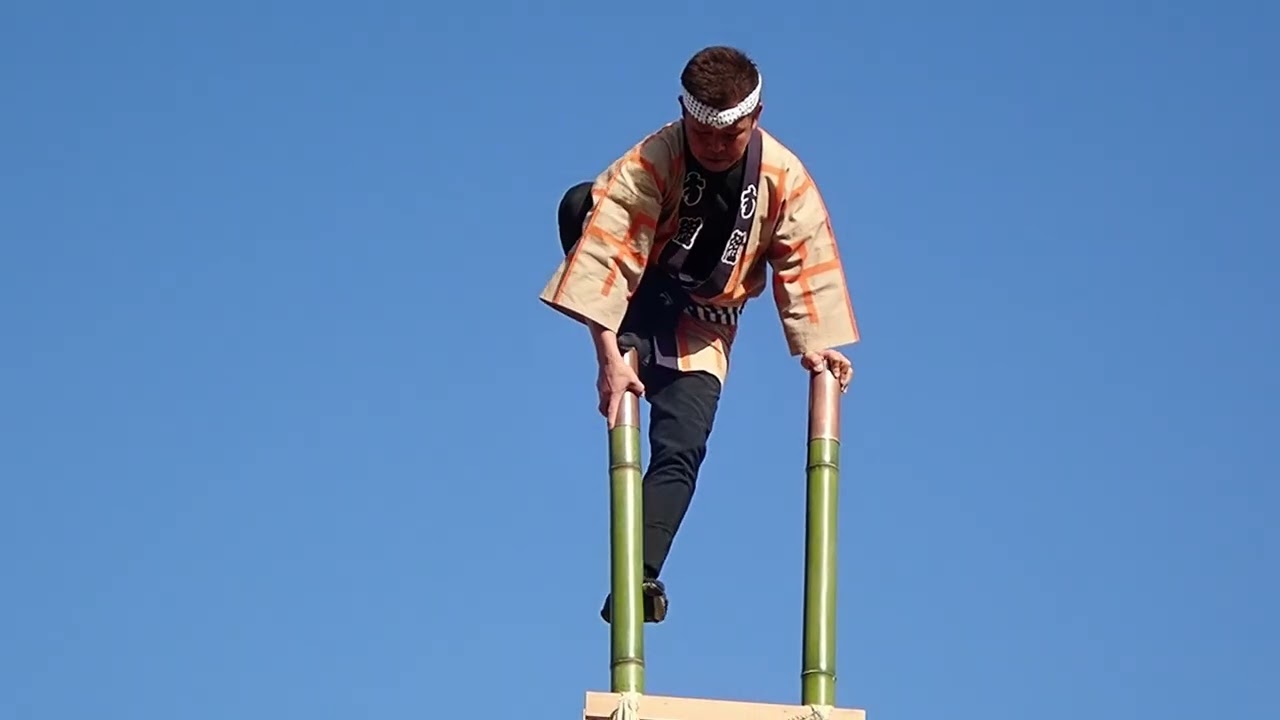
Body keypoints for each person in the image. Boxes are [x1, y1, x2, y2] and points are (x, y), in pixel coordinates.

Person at [539, 45, 861, 624]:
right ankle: (633, 345)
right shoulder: (655, 159)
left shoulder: (783, 177)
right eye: (702, 133)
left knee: (684, 446)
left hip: (706, 324)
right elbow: (609, 251)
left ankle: (638, 575)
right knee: (580, 202)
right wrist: (608, 359)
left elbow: (802, 260)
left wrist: (816, 347)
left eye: (729, 135)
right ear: (684, 116)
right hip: (638, 295)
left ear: (754, 120)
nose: (713, 147)